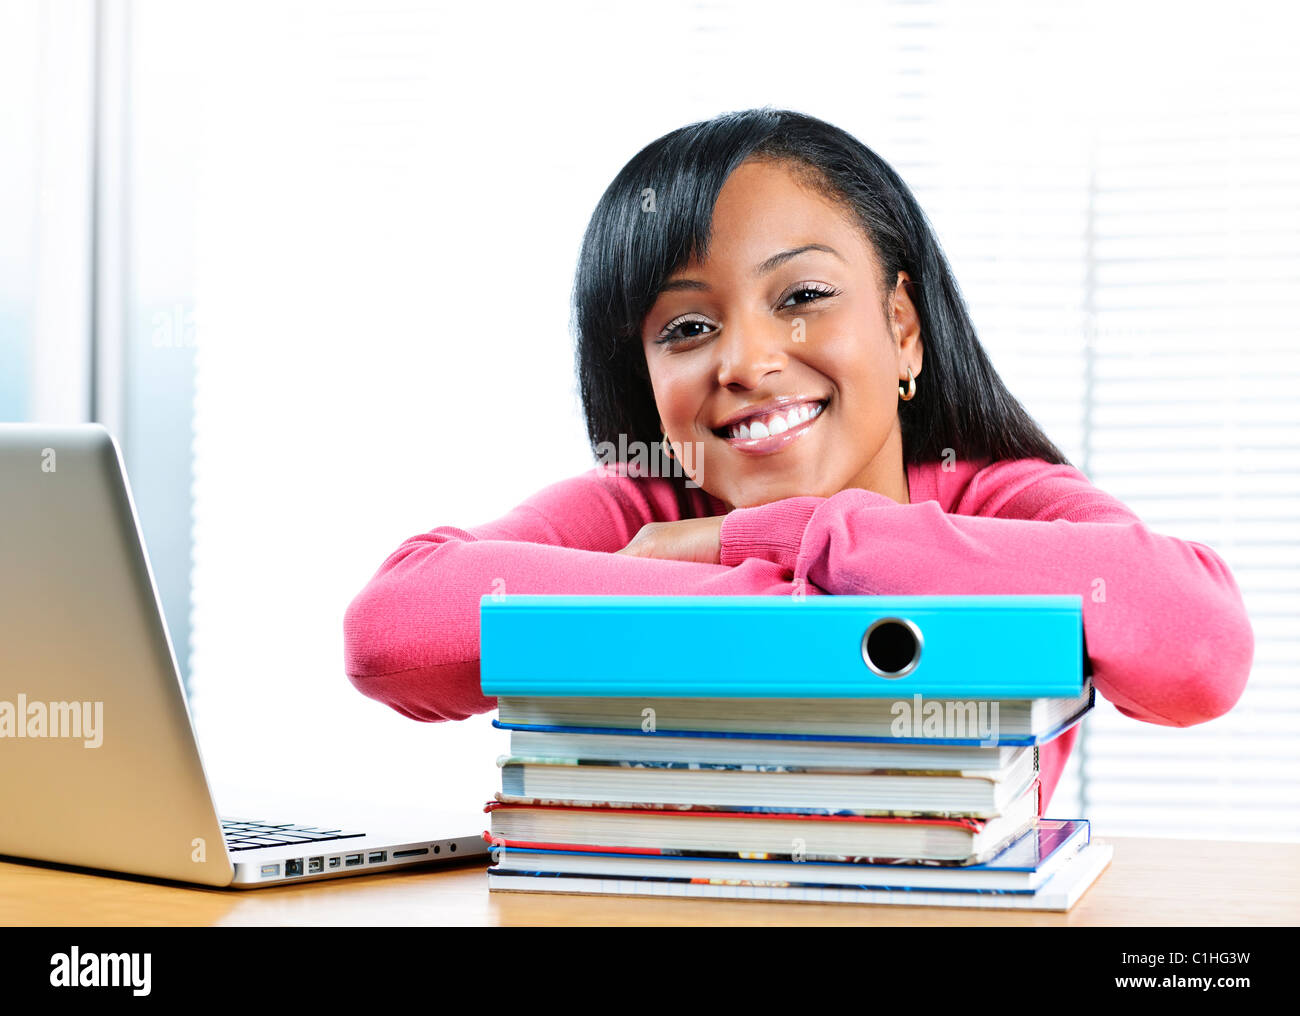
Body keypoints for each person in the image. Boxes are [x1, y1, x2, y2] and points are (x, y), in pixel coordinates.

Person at [342, 108, 1253, 813]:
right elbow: (391, 630)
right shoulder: (636, 508)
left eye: (803, 295)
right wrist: (796, 599)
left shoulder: (1000, 499)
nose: (742, 362)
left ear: (901, 328)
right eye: (688, 328)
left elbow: (1201, 647)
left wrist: (793, 536)